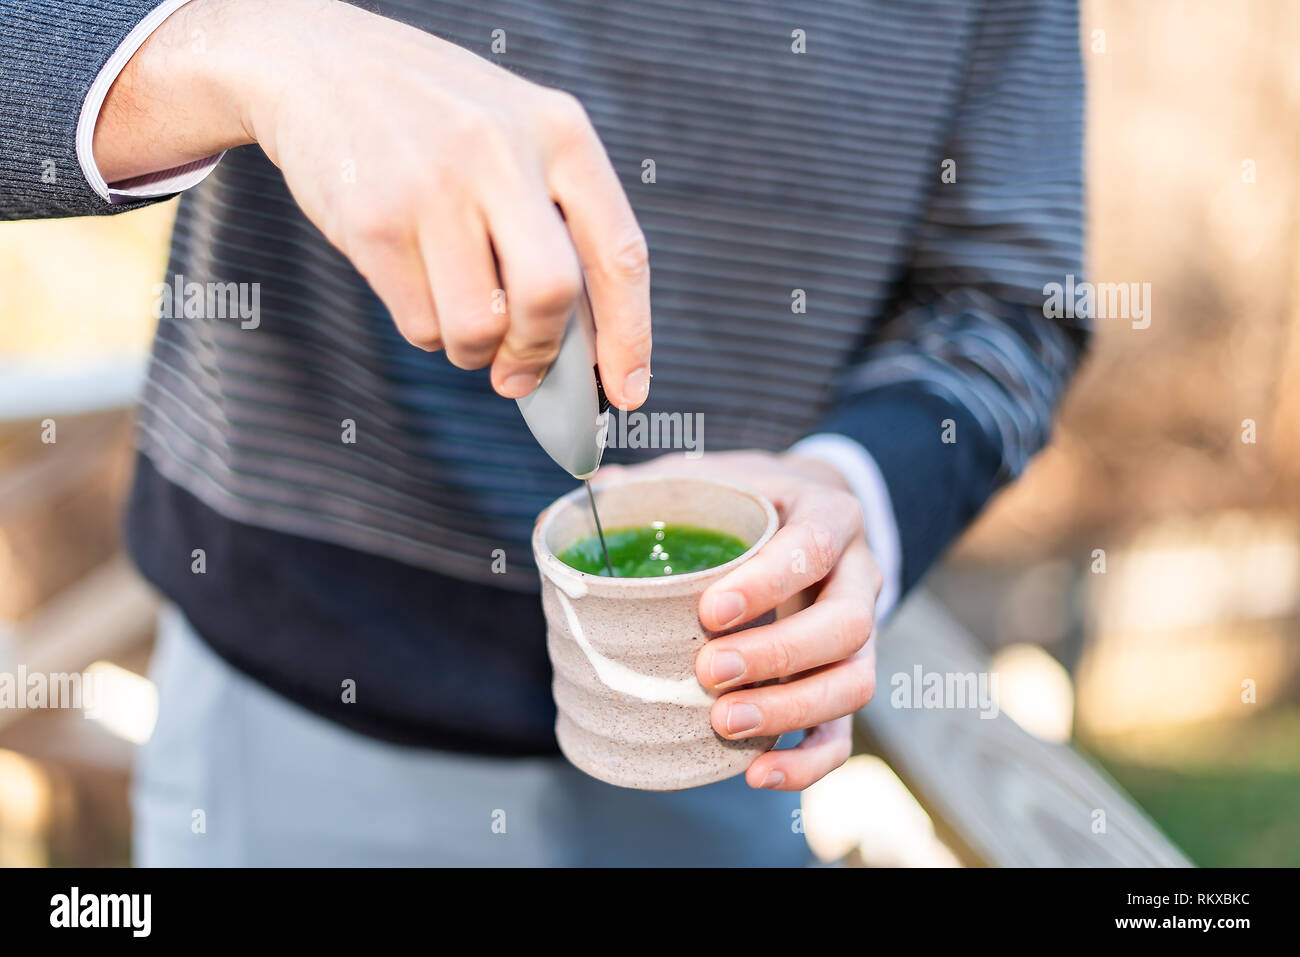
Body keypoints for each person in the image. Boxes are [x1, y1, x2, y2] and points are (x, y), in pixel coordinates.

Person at [0, 0, 1088, 866]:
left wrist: (856, 490)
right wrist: (238, 45)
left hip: (719, 749)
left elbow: (1010, 303)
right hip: (283, 726)